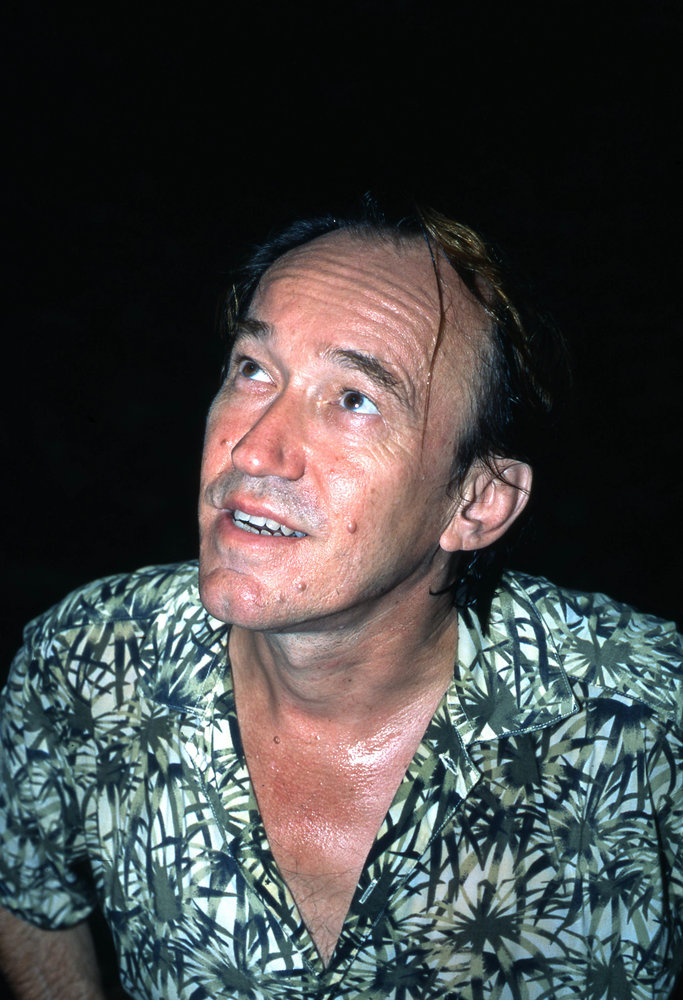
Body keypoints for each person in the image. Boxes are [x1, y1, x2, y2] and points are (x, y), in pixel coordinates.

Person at [0, 202, 681, 1000]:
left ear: (475, 504)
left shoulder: (644, 718)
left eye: (353, 398)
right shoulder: (89, 659)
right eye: (254, 369)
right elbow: (28, 890)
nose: (253, 448)